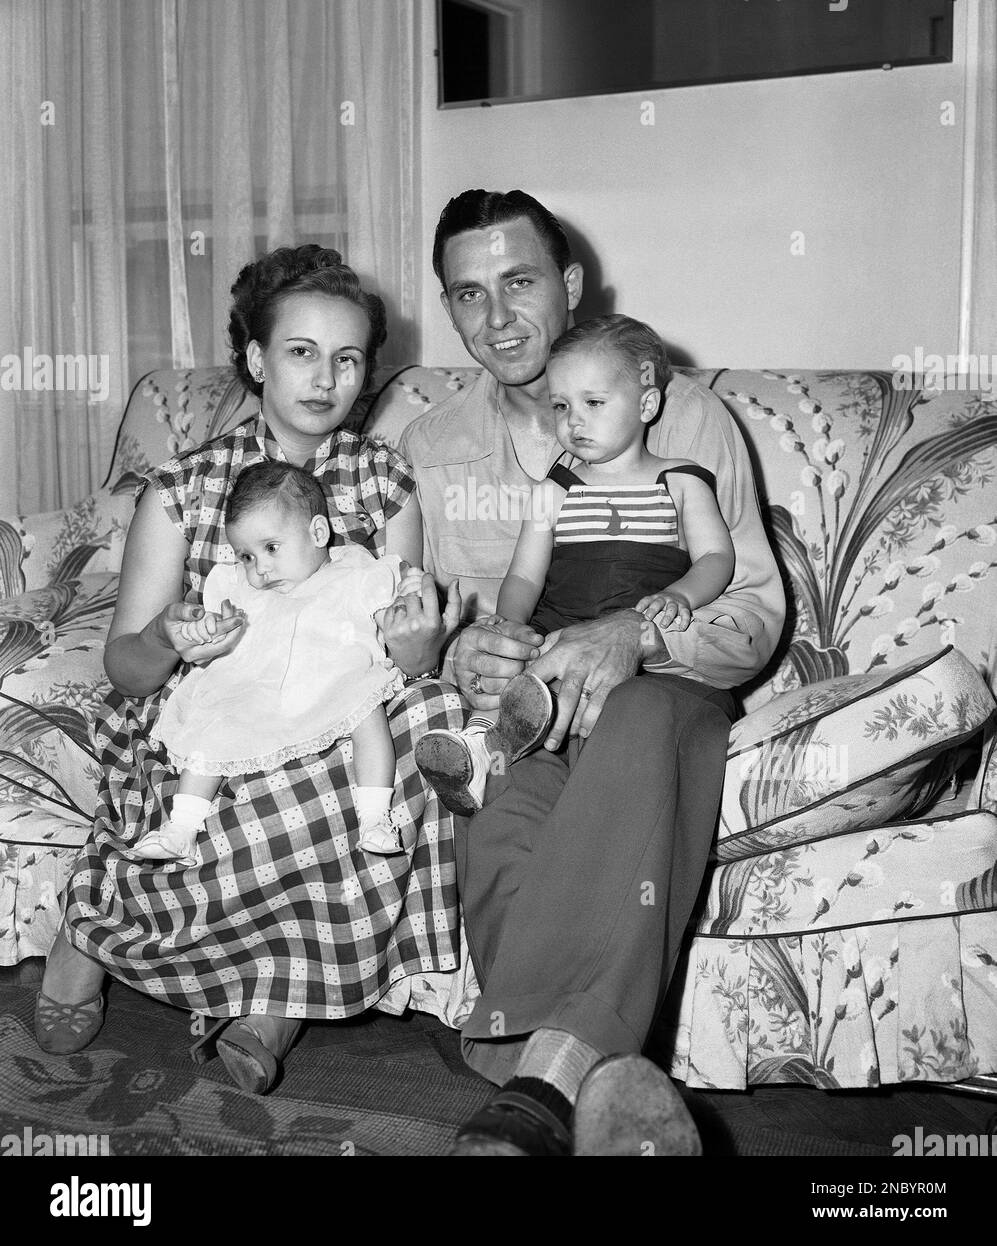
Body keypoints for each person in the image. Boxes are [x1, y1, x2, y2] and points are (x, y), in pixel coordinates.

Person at [400, 190, 785, 1155]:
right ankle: (592, 1086)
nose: (495, 318)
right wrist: (457, 648)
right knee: (498, 815)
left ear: (570, 285)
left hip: (663, 691)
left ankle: (541, 1081)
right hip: (528, 703)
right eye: (467, 294)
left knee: (642, 730)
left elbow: (753, 616)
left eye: (519, 281)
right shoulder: (429, 446)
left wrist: (634, 637)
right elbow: (405, 618)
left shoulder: (689, 421)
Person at [35, 245, 466, 1097]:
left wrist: (421, 645)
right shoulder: (182, 490)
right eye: (301, 352)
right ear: (257, 359)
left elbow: (399, 654)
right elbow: (126, 669)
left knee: (420, 723)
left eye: (347, 359)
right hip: (215, 705)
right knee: (217, 758)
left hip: (332, 707)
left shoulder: (385, 486)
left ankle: (277, 993)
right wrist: (171, 635)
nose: (326, 378)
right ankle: (92, 932)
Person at [416, 314, 735, 817]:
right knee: (512, 678)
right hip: (558, 627)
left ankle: (574, 779)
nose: (573, 421)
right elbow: (524, 574)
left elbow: (716, 556)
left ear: (646, 404)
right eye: (561, 406)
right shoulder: (554, 490)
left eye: (593, 403)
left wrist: (682, 596)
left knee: (621, 712)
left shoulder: (680, 481)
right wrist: (511, 624)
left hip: (634, 635)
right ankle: (479, 752)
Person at [131, 461, 427, 864]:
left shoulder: (356, 572)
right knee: (213, 720)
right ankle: (181, 826)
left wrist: (407, 599)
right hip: (257, 688)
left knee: (366, 711)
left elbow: (393, 621)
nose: (260, 568)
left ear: (318, 533)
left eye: (271, 548)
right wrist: (209, 629)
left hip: (336, 680)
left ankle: (376, 816)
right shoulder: (240, 588)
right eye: (246, 556)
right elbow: (219, 624)